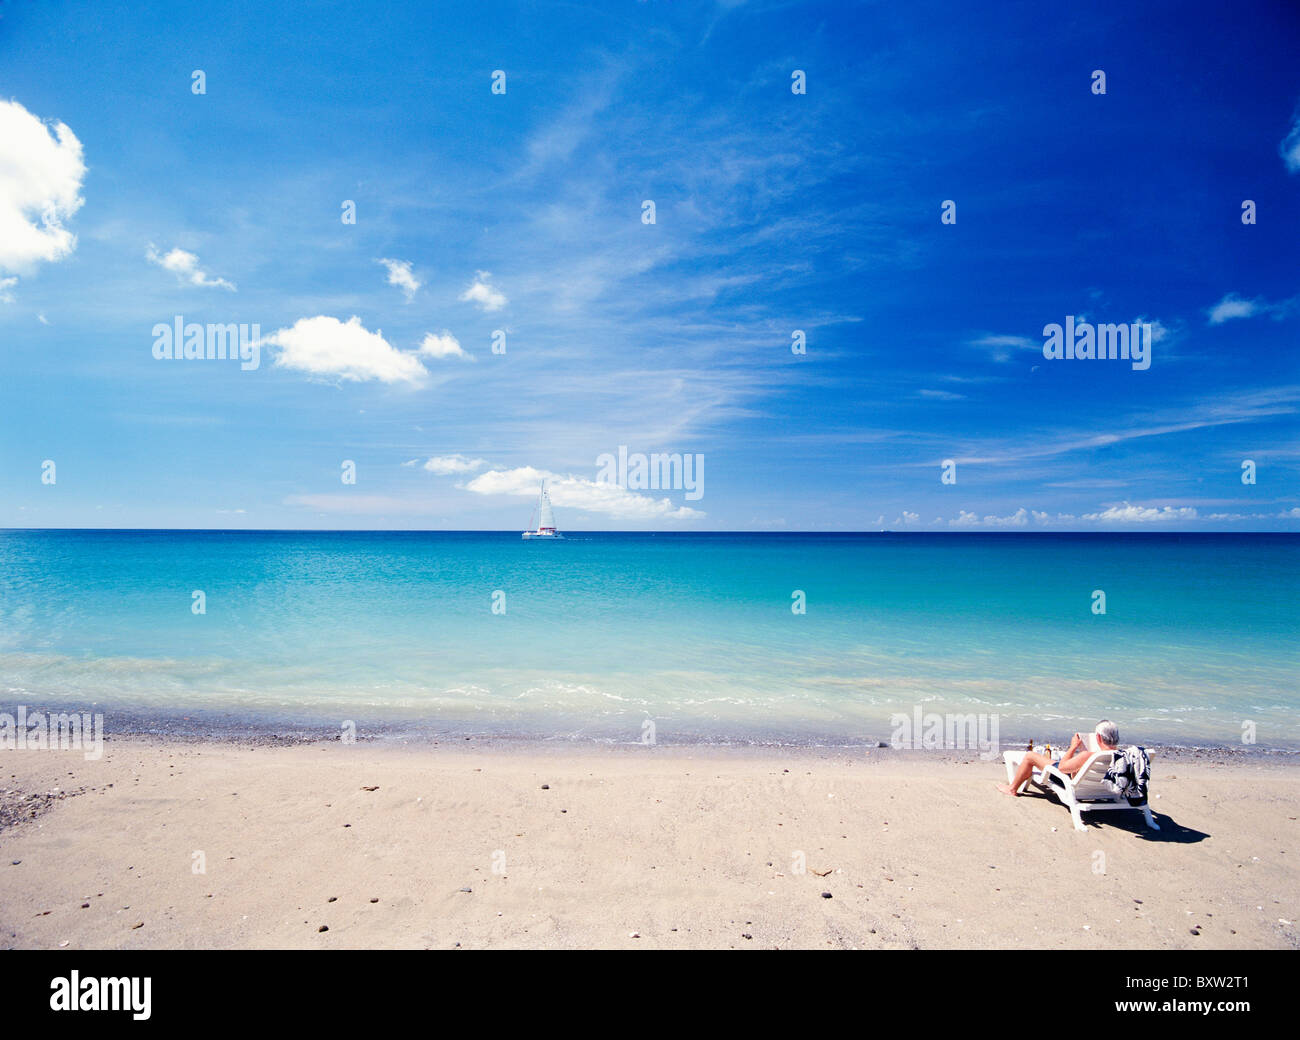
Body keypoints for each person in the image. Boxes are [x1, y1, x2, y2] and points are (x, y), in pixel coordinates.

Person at [997, 719, 1119, 796]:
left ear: (1098, 737)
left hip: (1071, 783)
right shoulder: (1122, 756)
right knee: (1053, 761)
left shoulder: (1088, 756)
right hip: (1101, 788)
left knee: (1030, 756)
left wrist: (1073, 747)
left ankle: (1012, 789)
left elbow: (1061, 768)